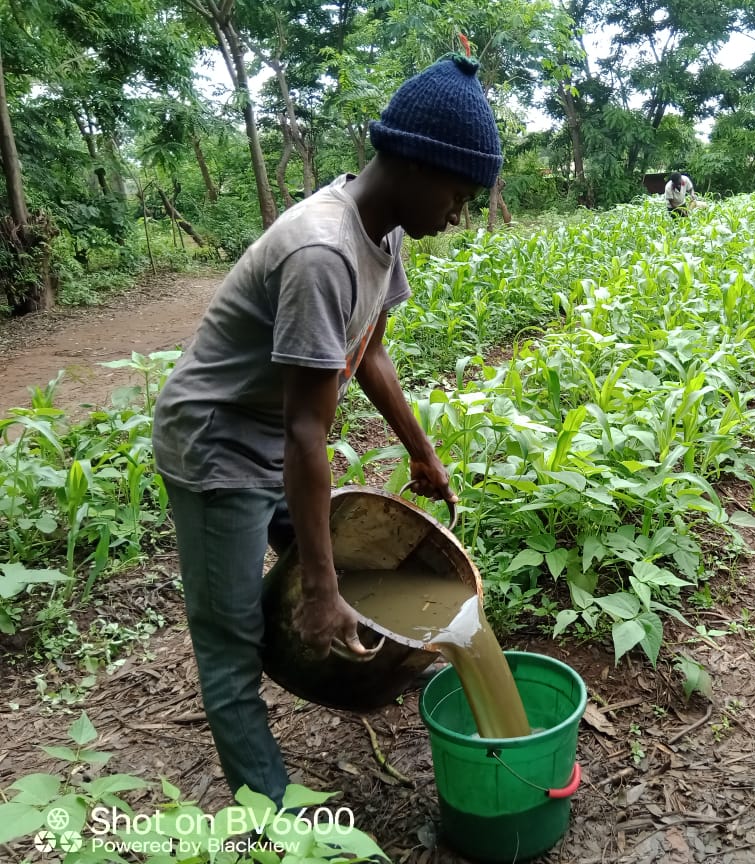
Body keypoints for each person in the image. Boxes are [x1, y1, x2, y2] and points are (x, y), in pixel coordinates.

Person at [151, 53, 502, 807]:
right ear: (414, 164)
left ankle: (334, 638)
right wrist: (318, 588)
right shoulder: (322, 251)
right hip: (216, 444)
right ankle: (277, 823)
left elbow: (368, 351)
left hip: (274, 432)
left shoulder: (384, 232)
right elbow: (307, 432)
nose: (457, 214)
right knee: (231, 642)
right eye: (457, 195)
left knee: (347, 555)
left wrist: (424, 455)